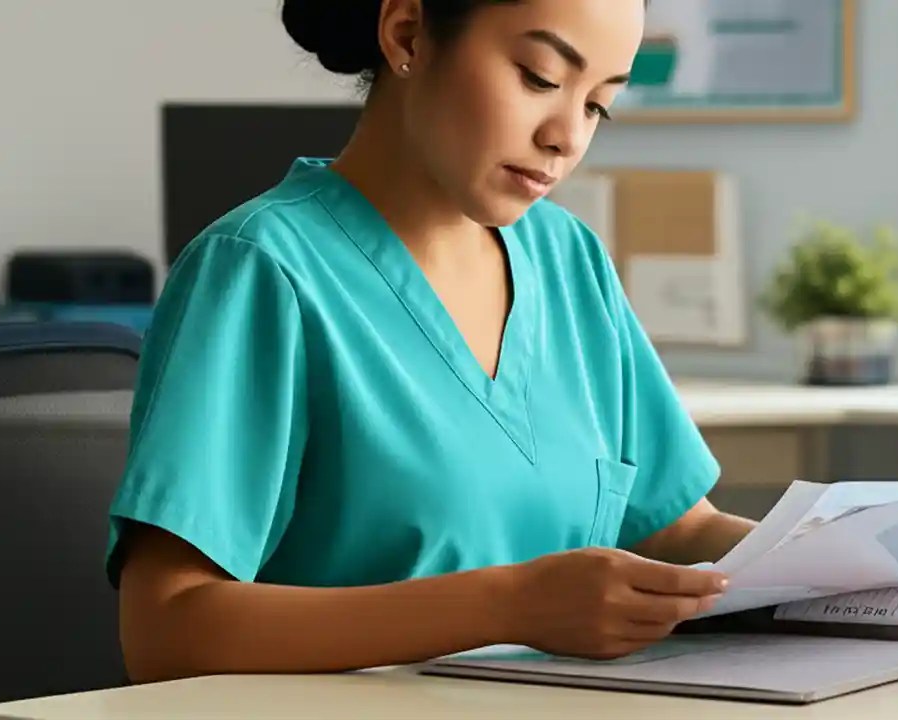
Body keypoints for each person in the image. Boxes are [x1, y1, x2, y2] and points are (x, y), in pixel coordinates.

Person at [107, 0, 758, 684]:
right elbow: (165, 631)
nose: (567, 135)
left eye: (599, 105)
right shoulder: (261, 269)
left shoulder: (571, 261)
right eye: (539, 78)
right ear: (407, 34)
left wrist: (854, 568)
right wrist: (506, 606)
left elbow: (676, 531)